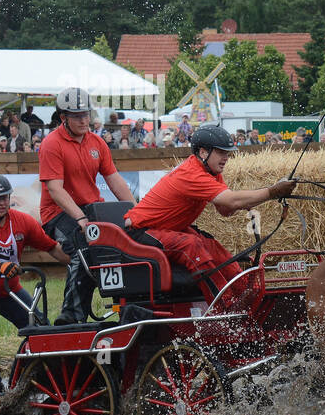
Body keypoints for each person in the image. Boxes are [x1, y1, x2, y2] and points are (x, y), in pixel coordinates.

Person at [123, 125, 295, 300]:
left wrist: (251, 199)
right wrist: (273, 192)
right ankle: (225, 305)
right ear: (203, 153)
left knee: (211, 246)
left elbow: (225, 210)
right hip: (140, 232)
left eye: (227, 153)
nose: (226, 158)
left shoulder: (211, 171)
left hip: (166, 229)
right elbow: (231, 201)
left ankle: (249, 296)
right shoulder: (192, 174)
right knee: (191, 245)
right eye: (221, 152)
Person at [0, 174, 71, 400]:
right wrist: (1, 266)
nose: (2, 203)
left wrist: (77, 263)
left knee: (40, 326)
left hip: (8, 289)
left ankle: (42, 378)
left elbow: (51, 247)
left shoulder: (22, 221)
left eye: (5, 198)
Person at [39, 87, 135, 325]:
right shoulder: (52, 144)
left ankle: (128, 310)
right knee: (80, 249)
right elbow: (55, 189)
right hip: (58, 212)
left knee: (124, 245)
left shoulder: (97, 143)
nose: (84, 120)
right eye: (77, 116)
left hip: (91, 208)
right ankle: (70, 315)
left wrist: (135, 209)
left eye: (86, 114)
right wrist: (81, 219)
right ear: (63, 118)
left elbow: (114, 179)